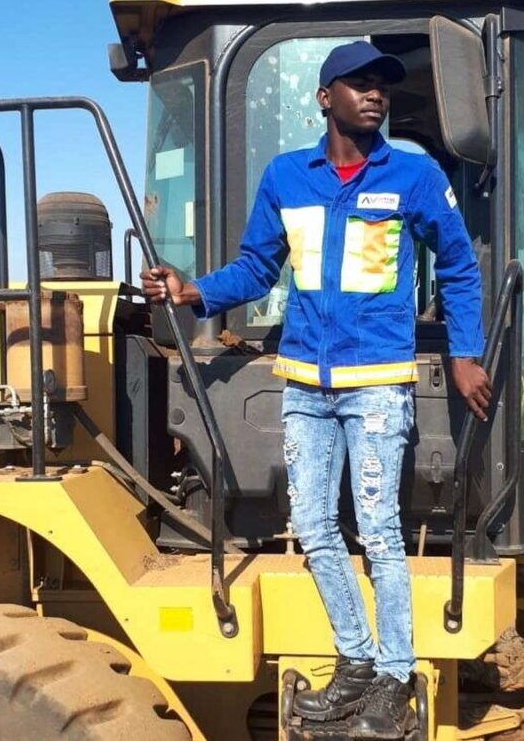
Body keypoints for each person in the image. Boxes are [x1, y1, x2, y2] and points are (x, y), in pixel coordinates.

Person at [142, 41, 490, 739]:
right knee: (318, 529)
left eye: (381, 88)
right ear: (325, 97)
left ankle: (395, 673)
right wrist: (194, 290)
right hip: (303, 384)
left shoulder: (413, 178)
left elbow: (458, 267)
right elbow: (255, 268)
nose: (375, 96)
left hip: (375, 388)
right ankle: (356, 661)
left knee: (380, 532)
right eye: (359, 85)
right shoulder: (286, 177)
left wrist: (465, 352)